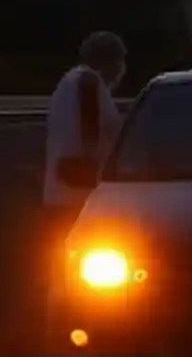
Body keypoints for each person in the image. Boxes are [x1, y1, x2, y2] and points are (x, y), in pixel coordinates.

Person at [42, 31, 127, 254]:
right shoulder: (89, 81)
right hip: (80, 191)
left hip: (62, 190)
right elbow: (90, 130)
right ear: (109, 60)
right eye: (119, 60)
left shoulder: (70, 81)